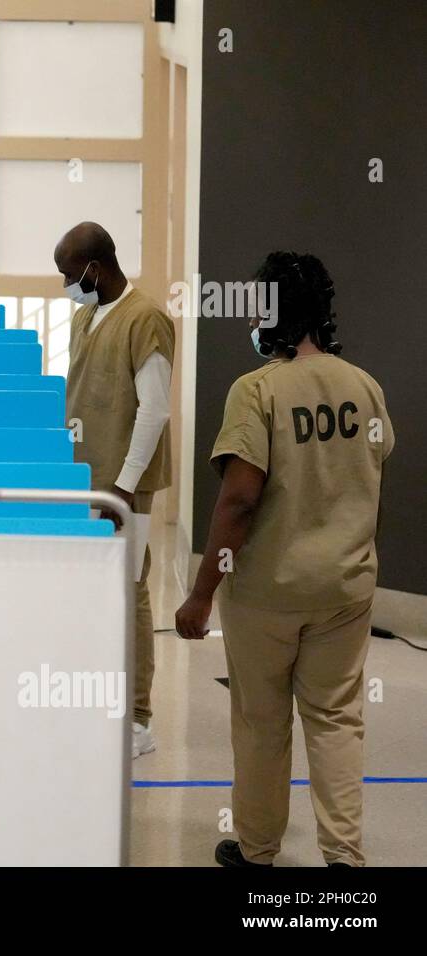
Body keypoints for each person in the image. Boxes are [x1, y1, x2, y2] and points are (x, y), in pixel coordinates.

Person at [175, 251, 393, 868]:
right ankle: (345, 860)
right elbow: (372, 484)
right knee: (336, 720)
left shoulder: (257, 392)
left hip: (268, 595)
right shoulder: (364, 387)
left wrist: (201, 593)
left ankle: (258, 851)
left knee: (261, 722)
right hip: (344, 591)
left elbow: (240, 500)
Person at [56, 222, 175, 759]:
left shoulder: (145, 318)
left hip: (123, 484)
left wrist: (125, 487)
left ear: (94, 269)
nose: (65, 283)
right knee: (94, 596)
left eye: (68, 273)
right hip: (86, 476)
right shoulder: (86, 315)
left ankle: (139, 720)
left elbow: (155, 409)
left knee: (130, 592)